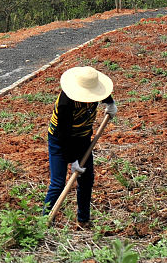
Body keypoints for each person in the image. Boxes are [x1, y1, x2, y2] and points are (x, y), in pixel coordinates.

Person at [42, 66, 117, 227]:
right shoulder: (66, 103)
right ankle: (44, 222)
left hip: (83, 138)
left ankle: (83, 220)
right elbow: (63, 136)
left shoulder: (94, 93)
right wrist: (73, 161)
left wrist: (110, 103)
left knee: (87, 179)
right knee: (58, 182)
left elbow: (102, 93)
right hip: (60, 140)